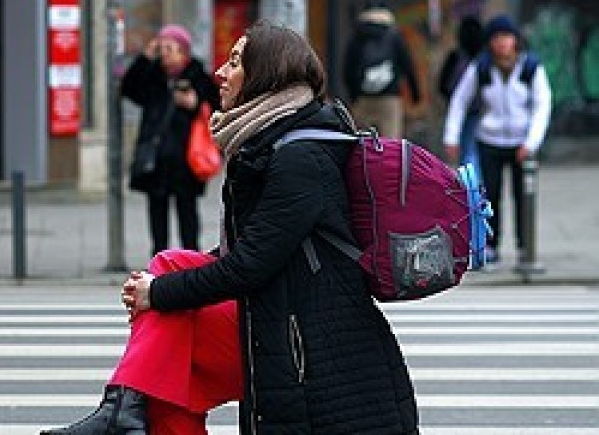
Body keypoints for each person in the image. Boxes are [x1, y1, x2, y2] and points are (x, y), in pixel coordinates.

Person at [44, 23, 419, 435]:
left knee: (169, 293)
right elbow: (249, 249)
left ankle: (122, 407)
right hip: (280, 327)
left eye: (236, 62)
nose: (220, 72)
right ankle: (124, 405)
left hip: (313, 357)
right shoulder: (269, 144)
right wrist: (165, 284)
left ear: (266, 75)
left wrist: (159, 292)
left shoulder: (300, 158)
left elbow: (249, 265)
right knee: (169, 330)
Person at [443, 15, 552, 266]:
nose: (502, 43)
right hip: (489, 139)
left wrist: (531, 142)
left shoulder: (531, 68)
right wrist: (452, 136)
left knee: (524, 195)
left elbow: (542, 106)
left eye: (507, 37)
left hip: (521, 143)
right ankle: (491, 246)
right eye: (497, 38)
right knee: (490, 196)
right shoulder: (480, 68)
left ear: (516, 40)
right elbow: (460, 101)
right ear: (490, 42)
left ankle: (526, 247)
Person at [120, 24, 221, 254]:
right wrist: (145, 58)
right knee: (157, 216)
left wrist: (195, 104)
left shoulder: (198, 76)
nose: (165, 53)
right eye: (162, 48)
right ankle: (159, 260)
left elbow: (217, 107)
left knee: (188, 215)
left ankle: (191, 260)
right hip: (157, 158)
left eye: (170, 48)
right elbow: (128, 88)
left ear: (183, 51)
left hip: (186, 159)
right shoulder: (152, 76)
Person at [342, 3, 421, 137]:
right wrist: (415, 94)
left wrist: (354, 96)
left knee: (363, 144)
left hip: (363, 99)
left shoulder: (357, 37)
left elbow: (347, 71)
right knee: (391, 143)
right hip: (390, 99)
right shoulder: (394, 36)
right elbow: (408, 66)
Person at [437, 15, 486, 166]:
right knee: (475, 149)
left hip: (460, 111)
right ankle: (474, 182)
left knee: (466, 149)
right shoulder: (484, 60)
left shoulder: (455, 57)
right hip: (481, 111)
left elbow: (443, 84)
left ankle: (470, 182)